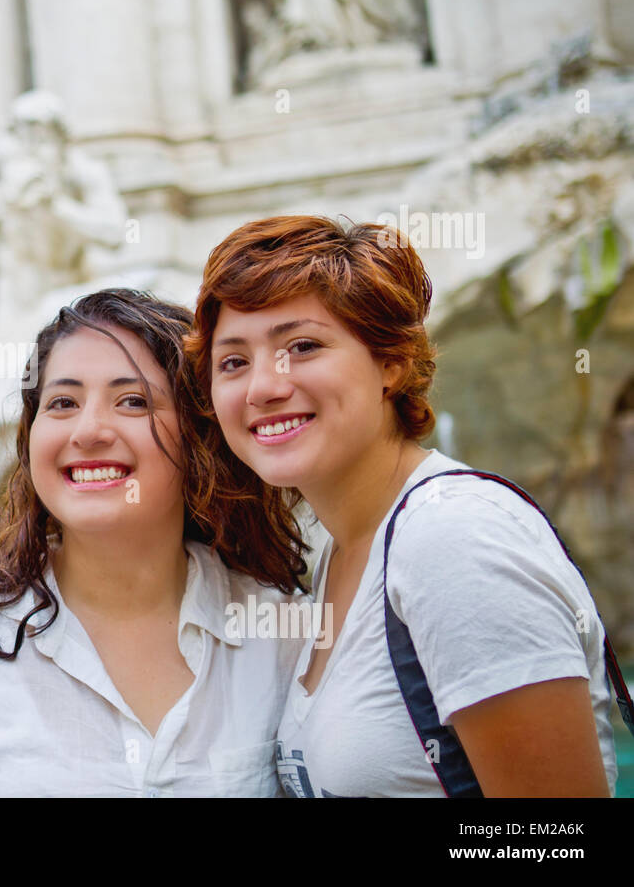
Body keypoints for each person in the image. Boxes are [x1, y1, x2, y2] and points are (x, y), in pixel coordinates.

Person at [184, 214, 619, 796]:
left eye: (303, 346)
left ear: (391, 362)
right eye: (233, 361)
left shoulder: (454, 539)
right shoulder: (340, 550)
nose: (263, 386)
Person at [0, 288, 309, 796]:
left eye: (133, 400)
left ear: (199, 438)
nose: (89, 430)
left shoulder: (281, 635)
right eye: (62, 403)